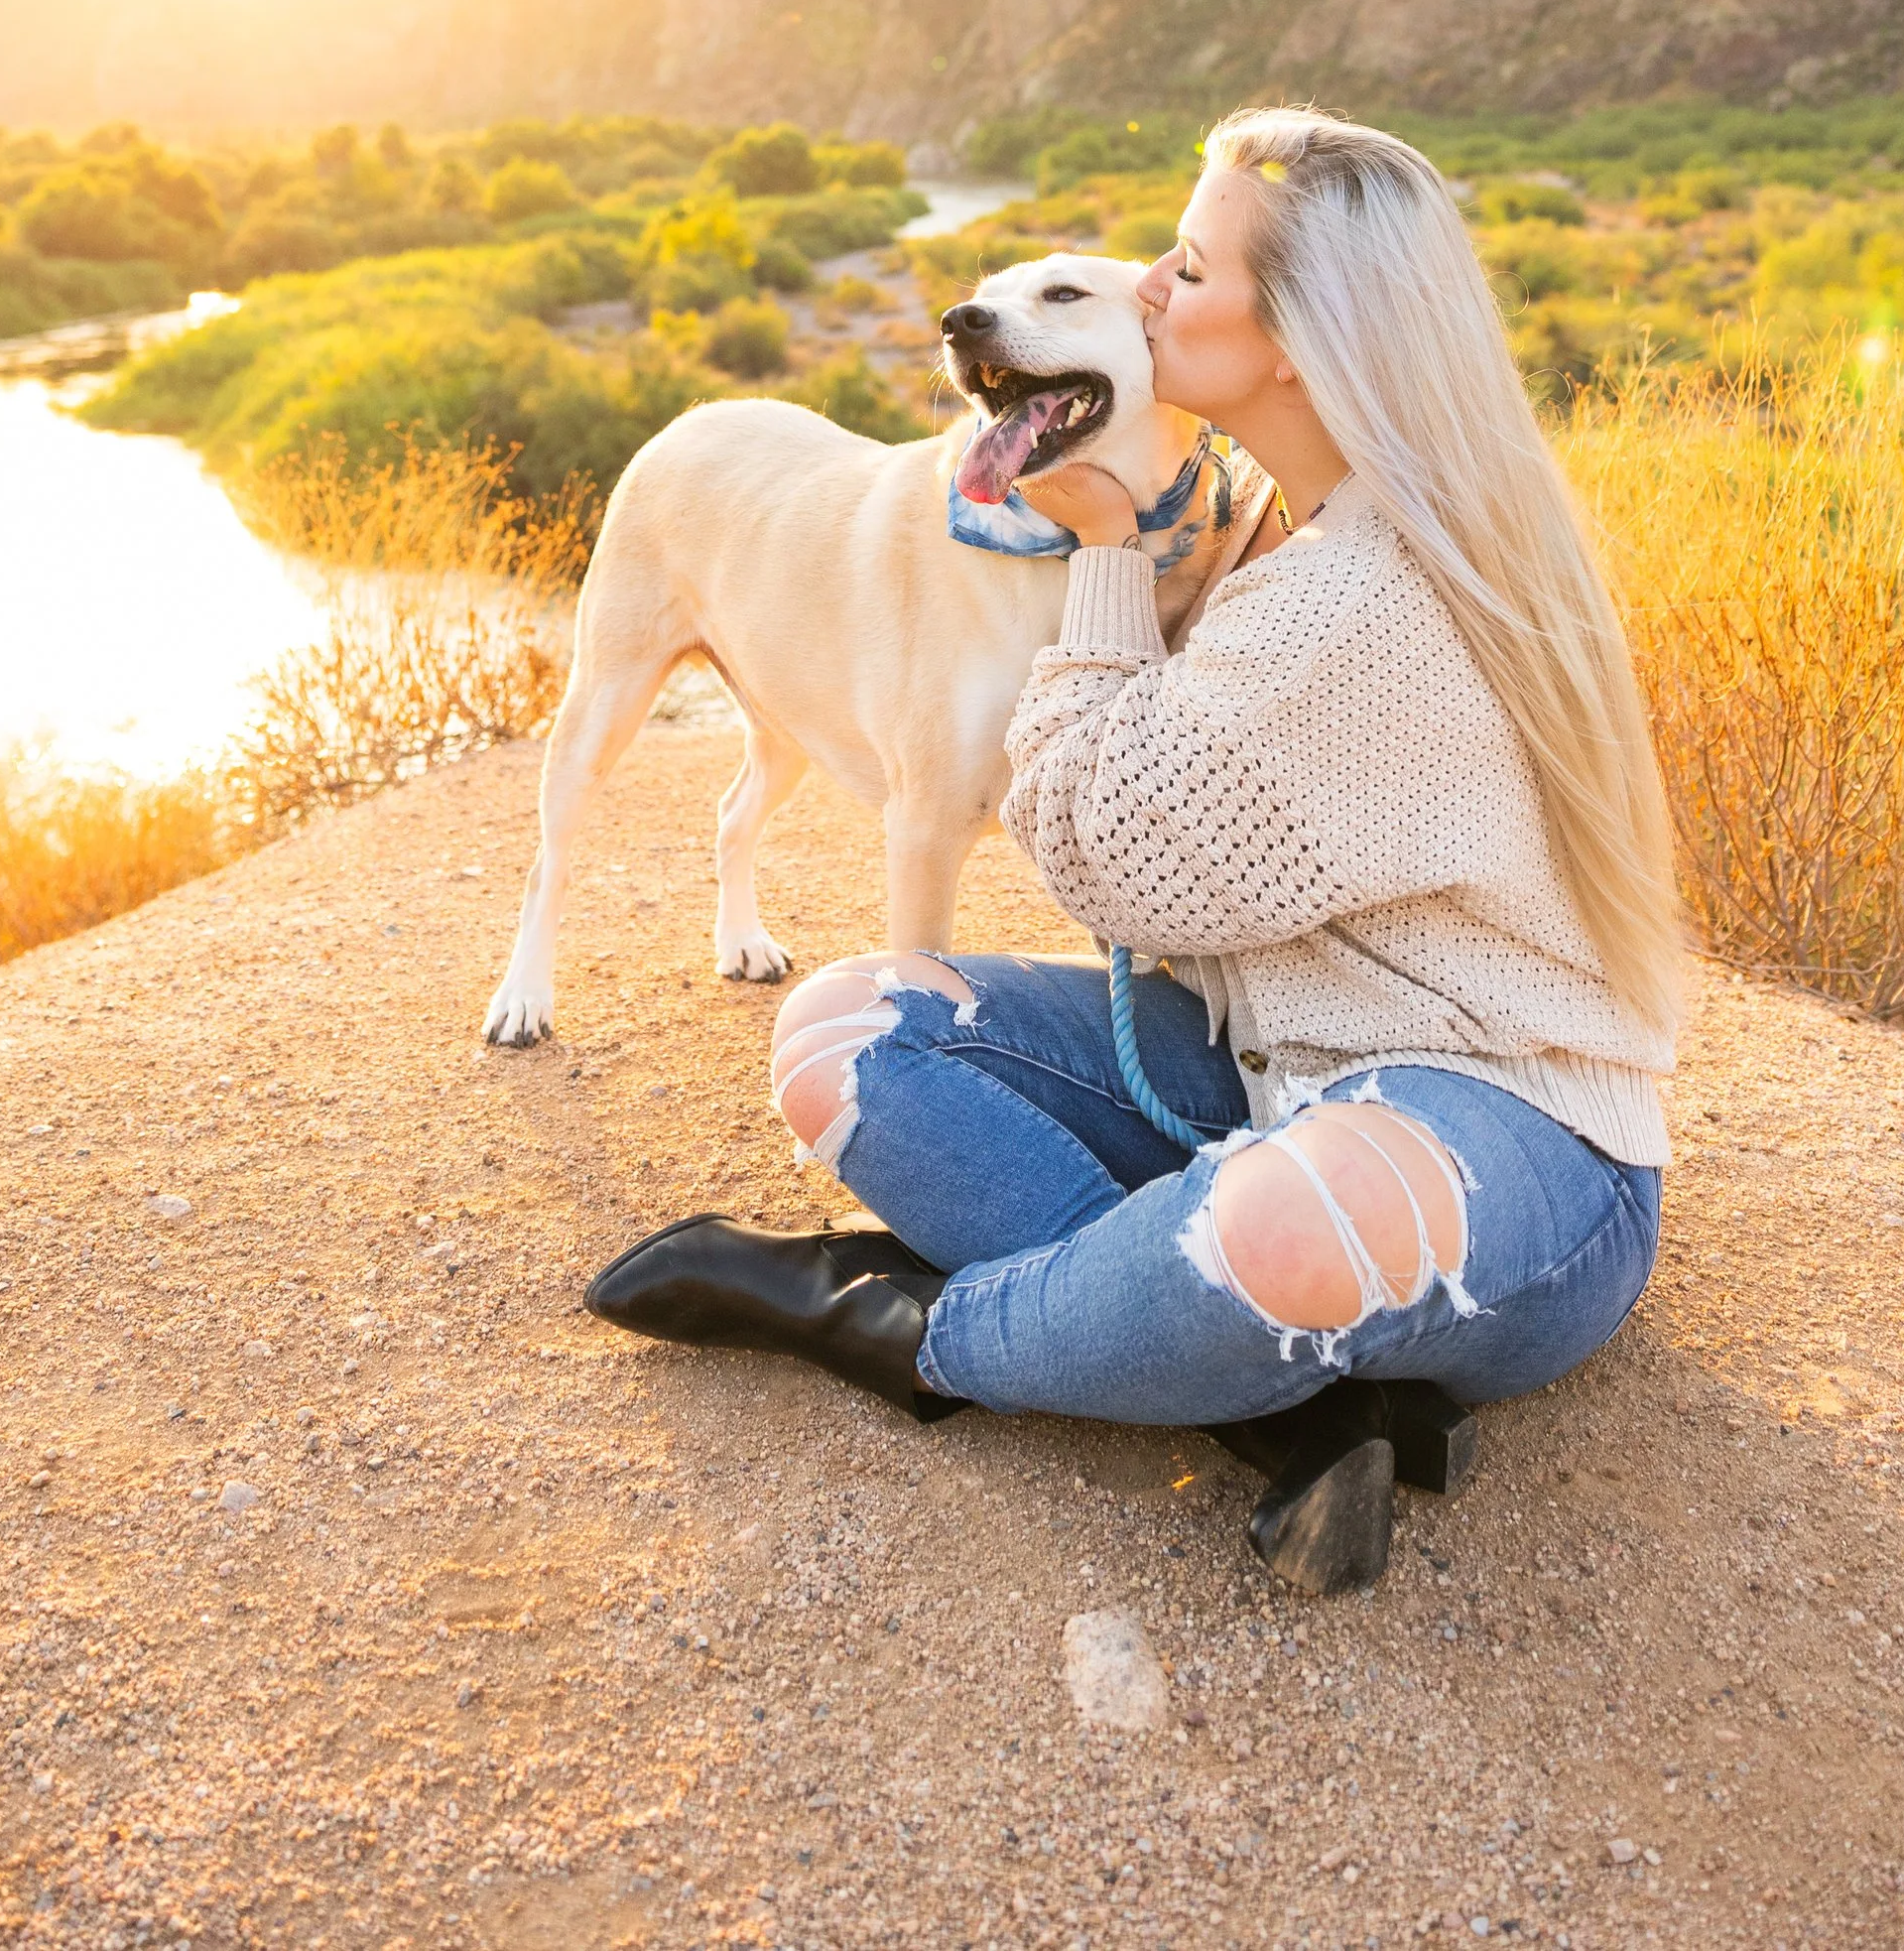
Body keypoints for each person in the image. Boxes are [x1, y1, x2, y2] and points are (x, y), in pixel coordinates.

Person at [584, 106, 1680, 1595]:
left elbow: (1110, 865)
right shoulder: (1288, 523)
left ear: (1294, 337)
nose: (1150, 289)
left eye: (1189, 268)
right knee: (850, 1030)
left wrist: (1104, 558)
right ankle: (1290, 1402)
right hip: (1267, 1070)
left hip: (1511, 1143)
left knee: (1289, 1223)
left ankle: (889, 1322)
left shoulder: (1355, 597)